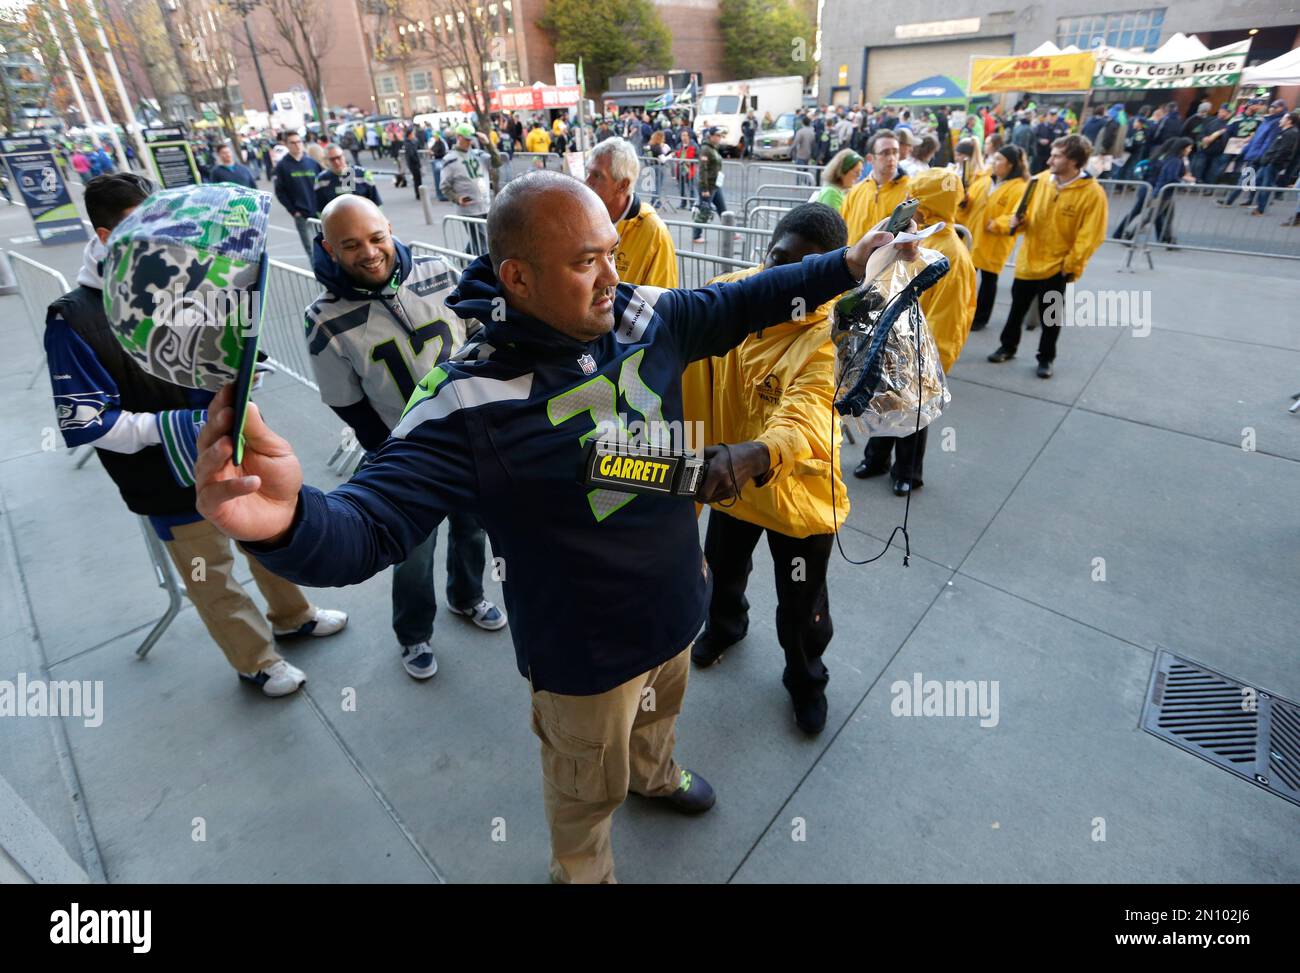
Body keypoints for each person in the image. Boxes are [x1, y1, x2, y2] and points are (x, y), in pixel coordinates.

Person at [191, 170, 908, 884]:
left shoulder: (639, 314)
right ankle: (581, 869)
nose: (611, 278)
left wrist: (848, 264)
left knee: (658, 723)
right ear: (519, 279)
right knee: (586, 788)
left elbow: (740, 300)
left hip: (674, 607)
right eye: (584, 261)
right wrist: (289, 520)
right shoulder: (466, 400)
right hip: (585, 658)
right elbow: (370, 525)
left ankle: (654, 776)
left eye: (611, 253)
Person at [45, 174, 347, 698]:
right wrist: (182, 429)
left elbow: (223, 359)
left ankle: (292, 615)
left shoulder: (186, 280)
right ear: (102, 235)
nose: (164, 242)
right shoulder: (72, 319)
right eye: (140, 228)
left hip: (232, 457)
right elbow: (90, 422)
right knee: (211, 574)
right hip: (166, 480)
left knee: (263, 537)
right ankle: (256, 660)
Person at [306, 196, 506, 678]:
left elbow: (477, 329)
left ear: (390, 229)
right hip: (408, 452)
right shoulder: (324, 317)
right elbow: (345, 399)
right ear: (330, 249)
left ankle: (467, 595)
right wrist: (394, 452)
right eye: (351, 245)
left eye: (376, 238)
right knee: (411, 549)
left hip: (470, 436)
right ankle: (414, 633)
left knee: (472, 526)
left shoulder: (437, 270)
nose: (370, 252)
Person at [683, 204, 852, 733]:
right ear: (766, 252)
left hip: (795, 495)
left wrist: (756, 454)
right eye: (779, 260)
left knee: (802, 604)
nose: (786, 280)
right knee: (723, 569)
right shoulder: (731, 294)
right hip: (730, 481)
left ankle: (806, 678)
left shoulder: (830, 338)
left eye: (807, 269)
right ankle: (726, 626)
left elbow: (806, 415)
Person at [853, 168, 976, 494]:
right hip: (895, 339)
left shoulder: (951, 253)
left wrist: (933, 363)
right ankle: (877, 458)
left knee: (912, 413)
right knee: (884, 404)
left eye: (917, 197)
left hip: (918, 352)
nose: (910, 202)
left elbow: (949, 317)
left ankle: (907, 471)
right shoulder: (921, 237)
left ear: (932, 204)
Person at [987, 134, 1108, 379]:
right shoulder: (1038, 181)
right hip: (1028, 261)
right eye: (1052, 154)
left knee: (1050, 317)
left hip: (1057, 267)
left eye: (1057, 155)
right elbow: (1022, 218)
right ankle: (1007, 347)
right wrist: (1016, 223)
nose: (1050, 159)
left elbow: (1091, 235)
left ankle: (1046, 358)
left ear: (1074, 161)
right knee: (1016, 311)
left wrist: (1070, 264)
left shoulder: (1093, 193)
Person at [584, 137, 678, 288]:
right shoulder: (585, 219)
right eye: (588, 173)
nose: (587, 182)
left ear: (622, 185)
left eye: (597, 175)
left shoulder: (654, 232)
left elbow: (662, 301)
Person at [969, 144, 1029, 331]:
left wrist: (997, 223)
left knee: (989, 280)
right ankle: (966, 312)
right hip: (973, 237)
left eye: (998, 159)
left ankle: (981, 318)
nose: (994, 163)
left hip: (994, 241)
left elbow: (1018, 214)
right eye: (994, 159)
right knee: (968, 277)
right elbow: (969, 199)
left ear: (1010, 164)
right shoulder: (985, 180)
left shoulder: (1020, 187)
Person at [842, 129, 910, 243]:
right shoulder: (854, 192)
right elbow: (842, 231)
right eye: (885, 153)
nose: (892, 157)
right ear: (870, 158)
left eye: (895, 152)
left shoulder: (911, 191)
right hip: (854, 259)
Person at [440, 123, 492, 255]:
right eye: (466, 139)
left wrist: (488, 143)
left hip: (485, 205)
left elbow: (497, 162)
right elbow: (444, 186)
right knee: (482, 242)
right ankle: (484, 271)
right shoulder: (450, 159)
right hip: (469, 209)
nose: (469, 142)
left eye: (471, 139)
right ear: (459, 137)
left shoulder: (478, 154)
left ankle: (464, 260)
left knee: (479, 239)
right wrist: (457, 198)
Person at [273, 130, 323, 256]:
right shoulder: (282, 166)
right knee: (311, 250)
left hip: (319, 213)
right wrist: (293, 211)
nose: (297, 145)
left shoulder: (312, 163)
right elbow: (280, 192)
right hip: (301, 215)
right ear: (286, 144)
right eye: (293, 143)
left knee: (326, 247)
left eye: (299, 142)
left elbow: (322, 186)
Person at [1248, 110, 1299, 217]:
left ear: (1289, 121)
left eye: (1283, 118)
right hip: (1268, 162)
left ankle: (1261, 208)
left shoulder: (1291, 133)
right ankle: (1260, 203)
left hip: (1273, 164)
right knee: (1259, 181)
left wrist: (1272, 161)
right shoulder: (1285, 131)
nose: (1281, 120)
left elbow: (1284, 150)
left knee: (1266, 185)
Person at [315, 143, 383, 212]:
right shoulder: (321, 180)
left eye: (339, 157)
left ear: (344, 156)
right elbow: (319, 209)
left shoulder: (362, 174)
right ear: (326, 160)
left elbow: (377, 202)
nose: (336, 162)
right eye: (332, 159)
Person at [691, 127, 725, 243]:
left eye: (720, 135)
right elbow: (702, 170)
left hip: (715, 185)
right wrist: (705, 189)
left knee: (723, 210)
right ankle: (696, 235)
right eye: (717, 135)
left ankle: (731, 231)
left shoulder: (713, 148)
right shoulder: (706, 149)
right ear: (710, 136)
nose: (719, 137)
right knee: (704, 210)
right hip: (708, 186)